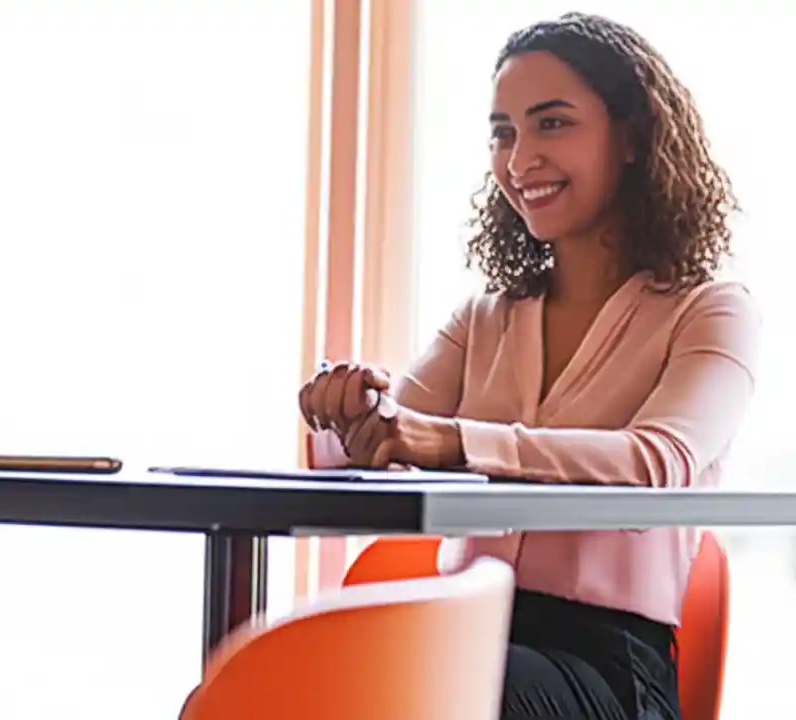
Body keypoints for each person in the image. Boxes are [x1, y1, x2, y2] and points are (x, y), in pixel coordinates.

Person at [298, 12, 757, 720]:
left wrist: (448, 442)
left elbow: (659, 459)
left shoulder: (710, 311)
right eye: (502, 133)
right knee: (247, 684)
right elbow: (371, 447)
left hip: (607, 669)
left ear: (632, 136)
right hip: (457, 629)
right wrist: (347, 410)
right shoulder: (487, 317)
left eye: (551, 124)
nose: (518, 161)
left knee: (417, 688)